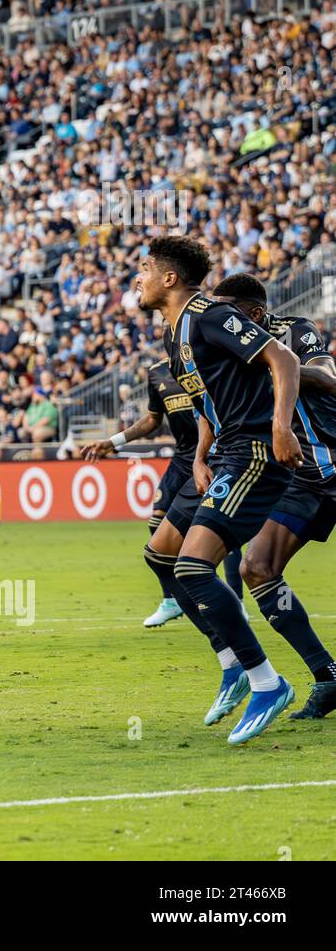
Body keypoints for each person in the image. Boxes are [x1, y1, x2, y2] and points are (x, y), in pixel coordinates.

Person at [137, 237, 303, 744]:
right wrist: (202, 454)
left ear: (170, 278)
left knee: (191, 566)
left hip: (255, 451)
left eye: (145, 269)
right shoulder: (174, 333)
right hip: (225, 453)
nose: (137, 278)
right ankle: (236, 665)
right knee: (168, 559)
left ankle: (266, 682)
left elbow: (283, 360)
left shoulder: (208, 314)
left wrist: (280, 424)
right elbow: (208, 402)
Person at [212, 273, 336, 720]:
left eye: (229, 312)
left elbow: (327, 376)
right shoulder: (225, 353)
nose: (219, 319)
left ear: (256, 315)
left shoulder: (293, 331)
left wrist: (275, 363)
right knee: (256, 567)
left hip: (333, 458)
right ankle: (327, 676)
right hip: (300, 479)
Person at [84, 357, 243, 629]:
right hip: (183, 457)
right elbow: (152, 419)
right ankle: (171, 600)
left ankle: (235, 601)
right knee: (157, 521)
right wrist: (113, 442)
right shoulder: (156, 372)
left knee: (221, 523)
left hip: (215, 455)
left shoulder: (205, 360)